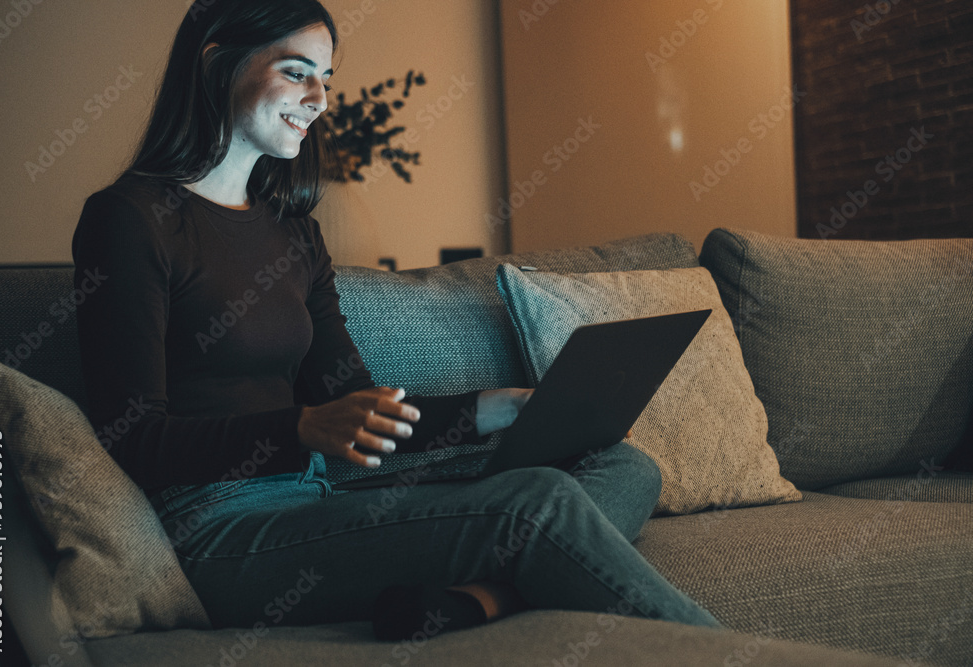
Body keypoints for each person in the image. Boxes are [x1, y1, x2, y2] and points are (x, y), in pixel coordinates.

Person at [71, 0, 722, 640]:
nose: (319, 98)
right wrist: (300, 429)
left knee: (623, 465)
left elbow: (356, 405)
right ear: (218, 62)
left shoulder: (292, 234)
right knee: (536, 502)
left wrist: (495, 408)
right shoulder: (129, 219)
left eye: (326, 78)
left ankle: (472, 603)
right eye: (297, 72)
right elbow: (132, 436)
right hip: (221, 533)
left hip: (323, 494)